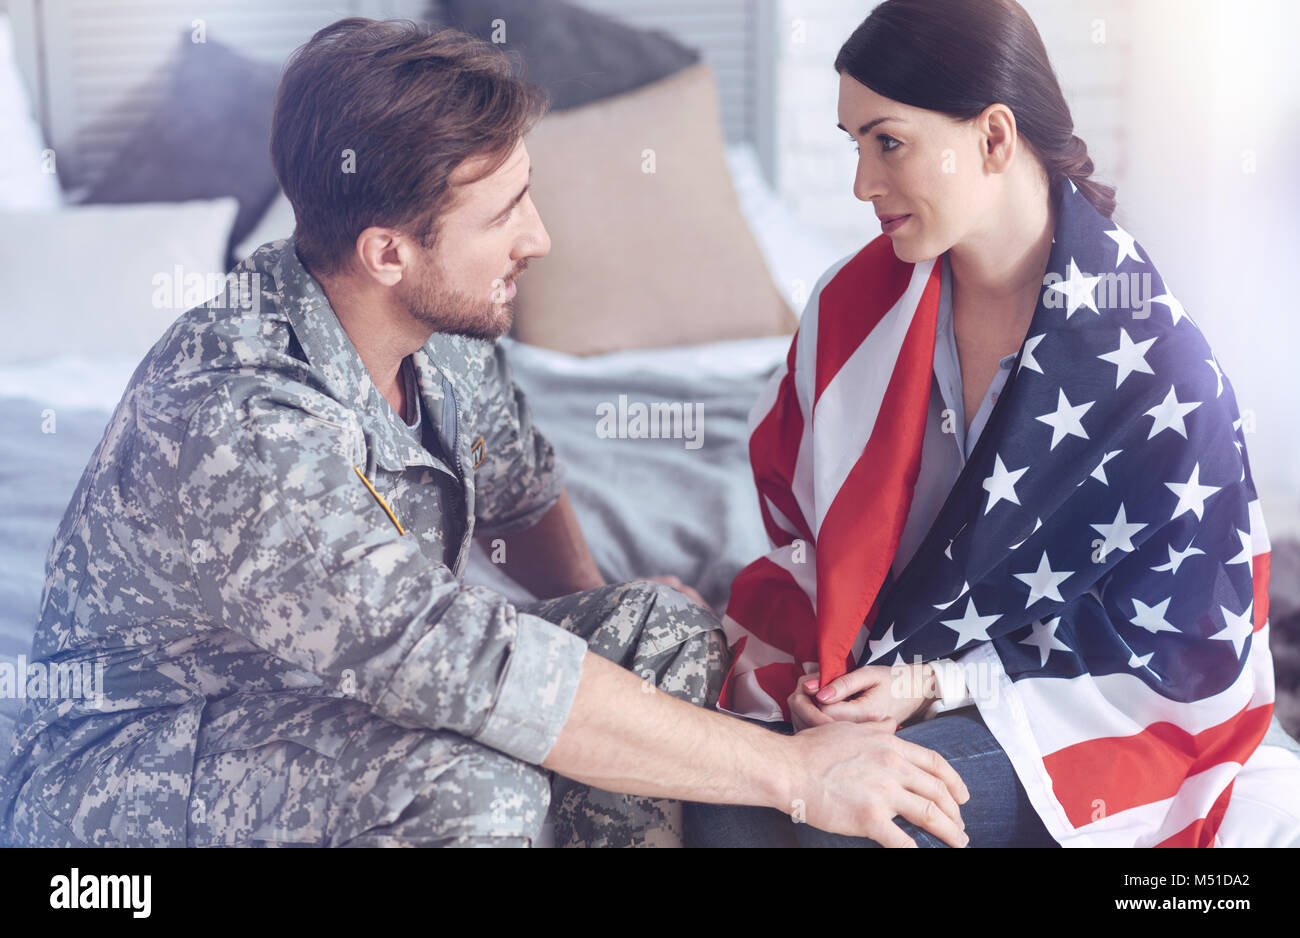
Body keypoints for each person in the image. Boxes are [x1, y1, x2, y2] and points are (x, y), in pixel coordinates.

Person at [0, 18, 971, 849]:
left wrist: (610, 622)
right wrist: (797, 773)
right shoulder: (242, 431)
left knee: (660, 628)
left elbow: (521, 486)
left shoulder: (433, 325)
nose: (539, 239)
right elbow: (473, 668)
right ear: (389, 251)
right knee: (472, 790)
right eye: (504, 212)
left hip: (338, 689)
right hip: (146, 761)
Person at [686, 0, 1300, 848]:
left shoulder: (1158, 372)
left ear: (995, 138)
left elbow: (1173, 642)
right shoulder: (849, 308)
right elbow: (811, 532)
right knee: (725, 810)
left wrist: (933, 683)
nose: (862, 183)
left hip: (1079, 704)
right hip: (884, 674)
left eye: (887, 142)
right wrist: (833, 671)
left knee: (865, 825)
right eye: (853, 144)